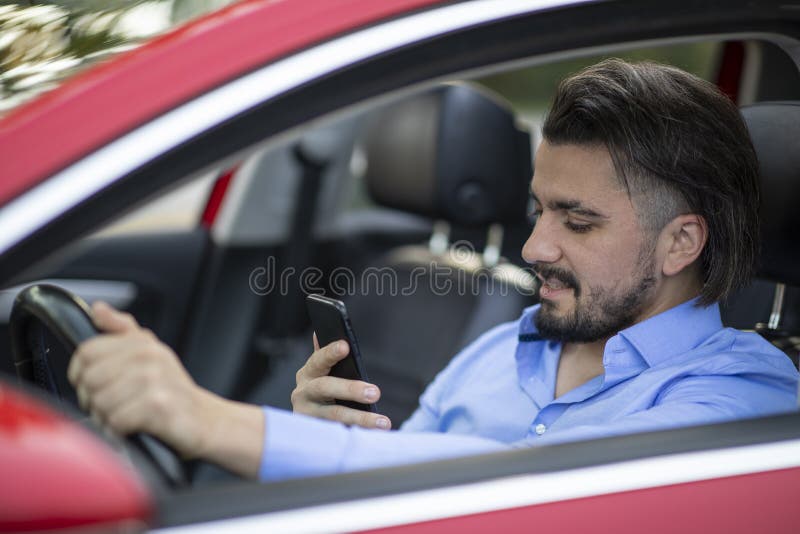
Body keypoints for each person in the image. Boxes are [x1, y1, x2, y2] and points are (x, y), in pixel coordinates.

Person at [68, 59, 799, 482]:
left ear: (680, 244)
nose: (535, 247)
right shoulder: (502, 348)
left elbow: (529, 494)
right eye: (537, 211)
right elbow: (400, 479)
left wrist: (211, 420)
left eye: (577, 221)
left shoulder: (751, 403)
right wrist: (319, 432)